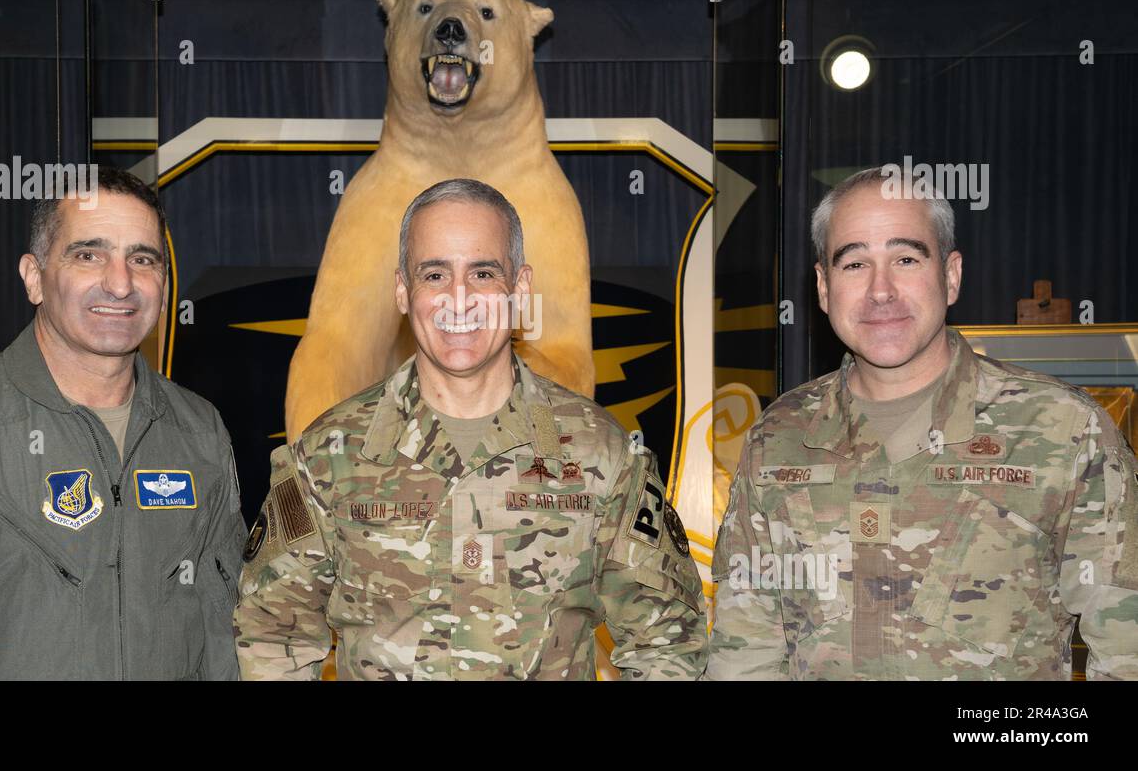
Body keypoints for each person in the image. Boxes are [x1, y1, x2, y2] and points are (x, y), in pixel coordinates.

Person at [234, 178, 705, 680]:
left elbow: (667, 638)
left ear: (520, 288)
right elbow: (272, 632)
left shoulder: (602, 454)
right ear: (402, 290)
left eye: (483, 272)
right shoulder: (329, 455)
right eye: (434, 274)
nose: (459, 299)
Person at [706, 166, 1138, 680]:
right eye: (854, 264)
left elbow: (1127, 648)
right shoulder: (779, 439)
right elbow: (745, 653)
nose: (880, 290)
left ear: (950, 275)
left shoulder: (1062, 429)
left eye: (906, 259)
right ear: (823, 288)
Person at [0, 167, 246, 679]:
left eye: (143, 260)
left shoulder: (199, 432)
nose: (120, 283)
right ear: (34, 277)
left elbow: (222, 637)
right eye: (88, 254)